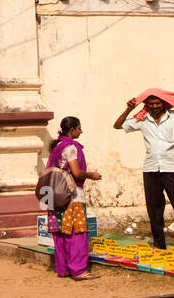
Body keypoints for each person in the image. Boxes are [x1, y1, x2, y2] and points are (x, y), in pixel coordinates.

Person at [114, 89, 174, 249]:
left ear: (164, 104)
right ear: (146, 105)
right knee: (154, 209)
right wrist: (129, 109)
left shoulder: (173, 118)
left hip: (171, 168)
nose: (155, 106)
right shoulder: (142, 119)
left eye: (158, 103)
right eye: (151, 103)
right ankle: (159, 245)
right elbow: (117, 125)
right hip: (151, 169)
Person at [44, 116, 100, 280]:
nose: (81, 131)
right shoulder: (71, 148)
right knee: (76, 232)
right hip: (72, 196)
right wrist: (91, 175)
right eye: (79, 128)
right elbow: (76, 172)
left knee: (62, 231)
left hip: (57, 195)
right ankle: (78, 270)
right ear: (72, 129)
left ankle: (64, 268)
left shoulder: (58, 146)